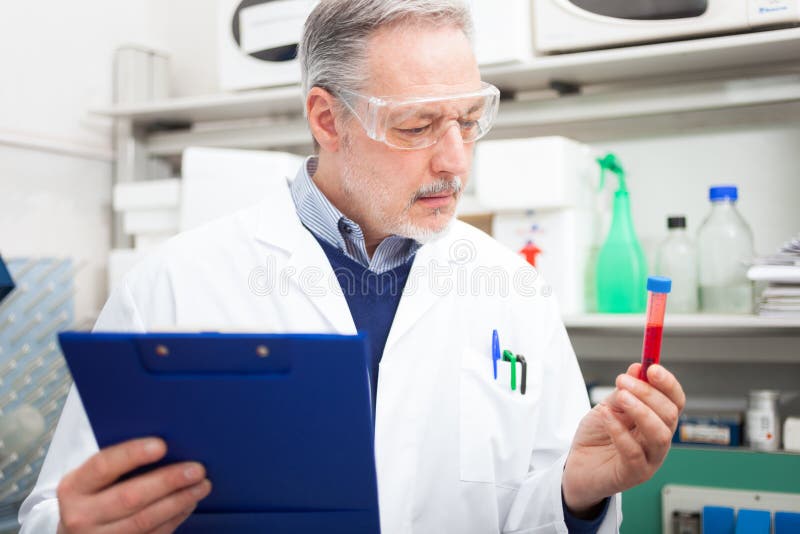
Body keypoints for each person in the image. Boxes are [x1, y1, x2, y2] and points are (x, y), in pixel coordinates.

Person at [19, 1, 686, 532]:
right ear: (327, 119)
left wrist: (580, 492)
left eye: (468, 119)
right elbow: (58, 510)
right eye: (418, 125)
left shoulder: (514, 290)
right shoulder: (171, 287)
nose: (455, 160)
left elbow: (533, 513)